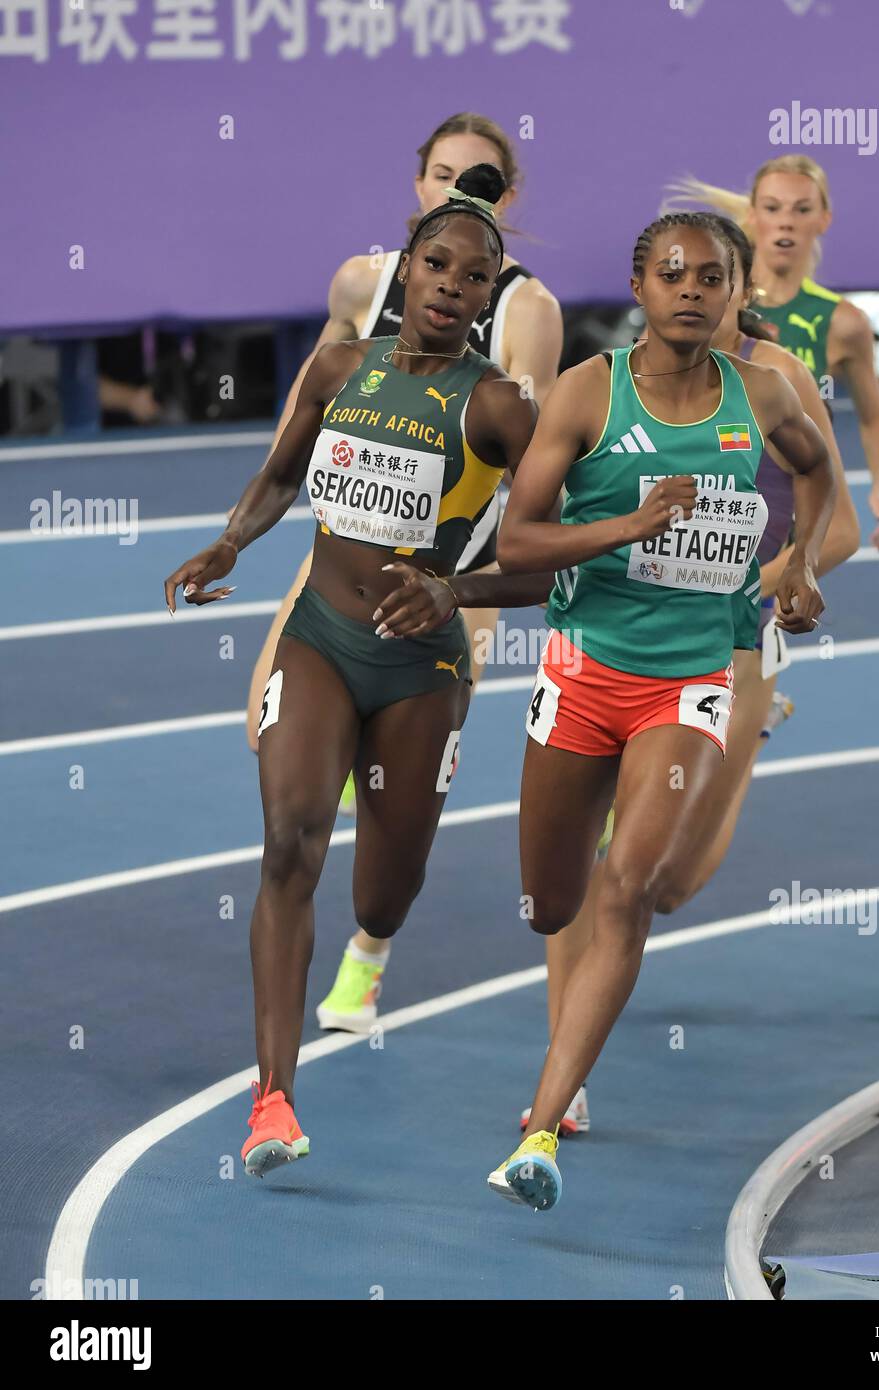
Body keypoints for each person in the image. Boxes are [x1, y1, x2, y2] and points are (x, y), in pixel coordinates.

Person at [164, 166, 552, 1178]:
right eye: (435, 265)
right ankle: (272, 1101)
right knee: (290, 842)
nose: (449, 287)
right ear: (407, 265)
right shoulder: (340, 367)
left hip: (422, 669)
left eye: (473, 279)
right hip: (320, 640)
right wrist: (230, 544)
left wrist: (453, 594)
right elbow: (283, 473)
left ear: (488, 295)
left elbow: (552, 556)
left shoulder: (503, 409)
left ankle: (372, 946)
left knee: (387, 882)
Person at [487, 212, 837, 1210]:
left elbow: (814, 473)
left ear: (733, 293)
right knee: (552, 901)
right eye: (672, 274)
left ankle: (543, 1124)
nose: (691, 289)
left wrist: (799, 565)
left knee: (630, 887)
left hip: (689, 676)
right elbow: (515, 544)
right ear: (639, 287)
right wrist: (630, 526)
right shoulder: (585, 394)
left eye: (711, 277)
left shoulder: (760, 389)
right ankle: (561, 1021)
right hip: (584, 667)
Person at [243, 113, 563, 1038]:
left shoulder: (524, 310)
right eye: (443, 173)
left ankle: (370, 952)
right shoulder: (360, 282)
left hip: (450, 573)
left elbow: (523, 474)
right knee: (272, 757)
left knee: (395, 818)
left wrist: (473, 603)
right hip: (338, 552)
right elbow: (309, 411)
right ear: (417, 185)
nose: (458, 187)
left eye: (480, 176)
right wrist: (253, 521)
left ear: (506, 199)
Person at [665, 155, 879, 553]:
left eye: (802, 209)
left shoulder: (842, 322)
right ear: (754, 214)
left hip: (794, 502)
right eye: (773, 208)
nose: (786, 221)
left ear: (823, 219)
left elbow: (874, 416)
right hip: (715, 497)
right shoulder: (701, 307)